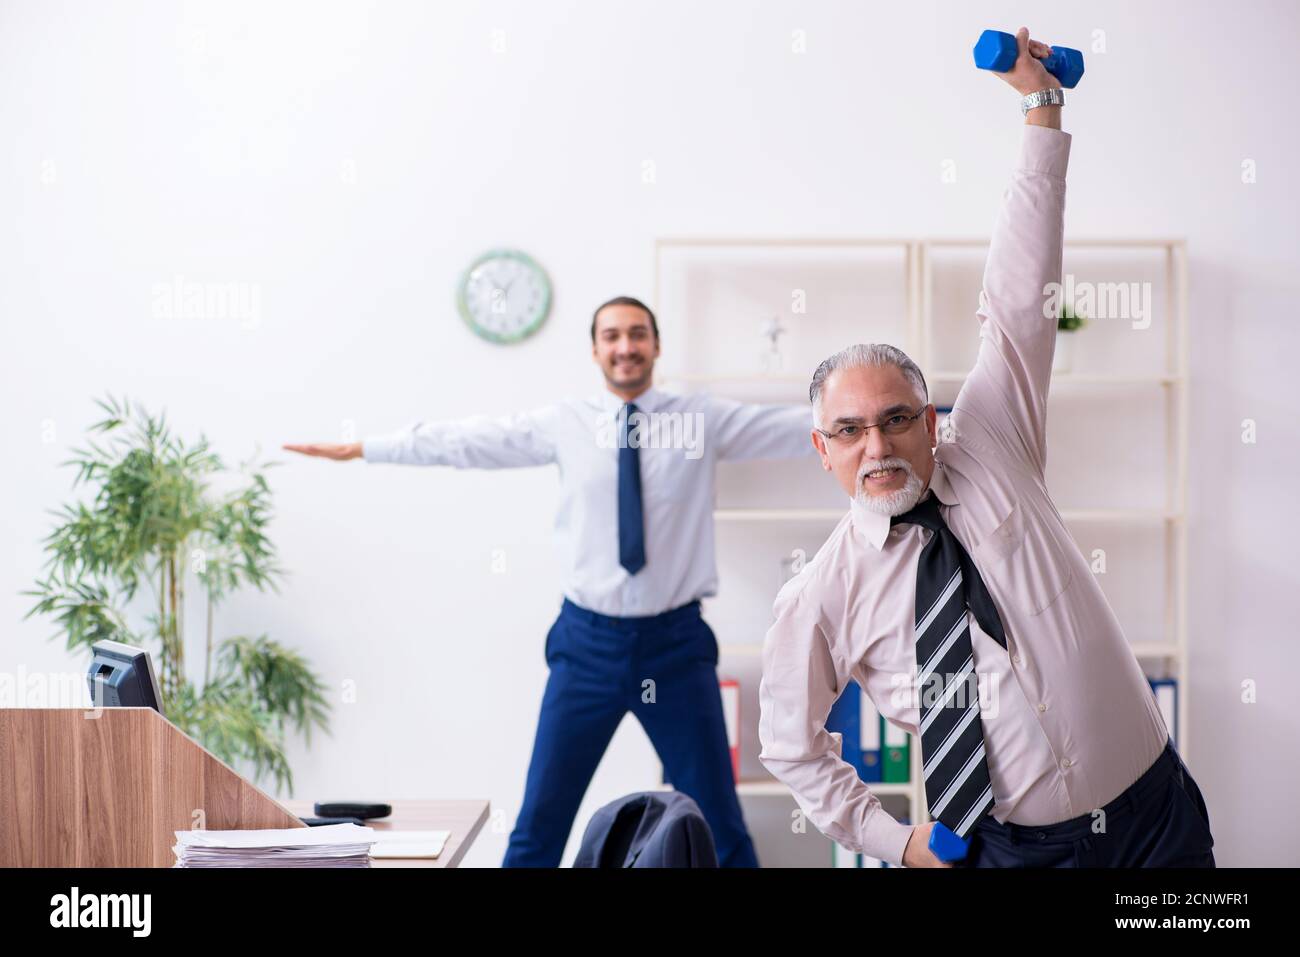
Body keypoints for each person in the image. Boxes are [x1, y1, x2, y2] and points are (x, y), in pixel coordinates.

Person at [756, 28, 1215, 868]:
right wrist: (893, 843)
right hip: (1012, 852)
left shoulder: (994, 440)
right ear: (822, 449)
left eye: (897, 418)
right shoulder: (822, 592)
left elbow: (1017, 294)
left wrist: (1042, 112)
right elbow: (791, 743)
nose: (878, 445)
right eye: (850, 431)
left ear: (932, 421)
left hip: (1156, 820)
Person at [286, 296, 815, 866]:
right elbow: (468, 442)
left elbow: (800, 428)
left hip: (676, 648)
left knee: (720, 821)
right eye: (612, 336)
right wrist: (366, 448)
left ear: (656, 346)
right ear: (595, 349)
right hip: (587, 648)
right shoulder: (566, 424)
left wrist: (912, 421)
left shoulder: (702, 421)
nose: (626, 346)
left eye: (637, 334)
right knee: (540, 822)